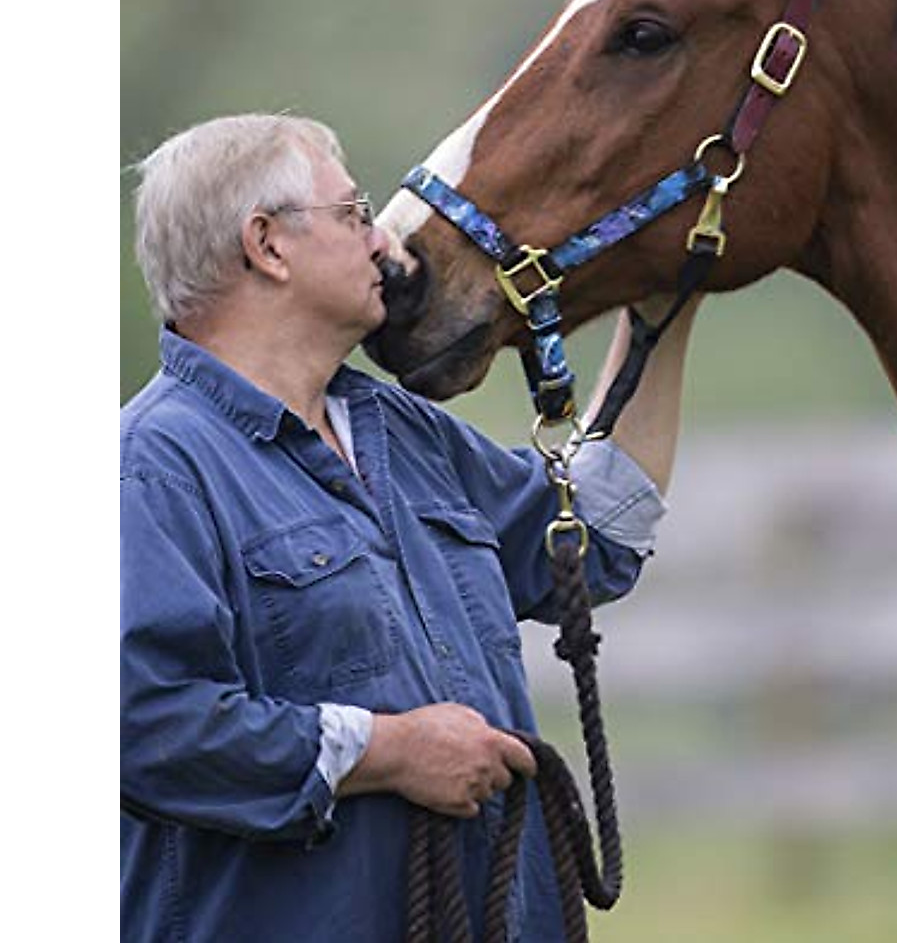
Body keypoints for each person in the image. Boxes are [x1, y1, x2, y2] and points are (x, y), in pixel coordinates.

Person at [120, 112, 700, 942]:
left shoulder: (396, 429)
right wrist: (386, 752)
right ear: (267, 245)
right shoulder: (149, 468)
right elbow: (140, 724)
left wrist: (660, 305)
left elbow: (593, 538)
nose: (384, 247)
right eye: (355, 216)